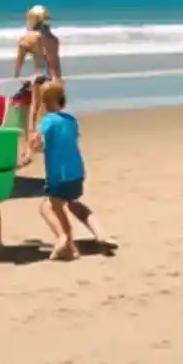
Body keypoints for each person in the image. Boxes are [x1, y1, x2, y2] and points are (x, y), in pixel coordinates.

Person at [29, 81, 112, 260]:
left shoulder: (48, 121)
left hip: (59, 174)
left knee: (49, 207)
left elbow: (36, 144)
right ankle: (100, 234)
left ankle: (65, 238)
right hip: (77, 173)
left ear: (45, 103)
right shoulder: (71, 121)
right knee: (73, 203)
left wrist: (32, 138)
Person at [12, 4, 62, 161]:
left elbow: (19, 63)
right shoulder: (54, 39)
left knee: (33, 114)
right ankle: (51, 145)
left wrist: (16, 76)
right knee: (52, 113)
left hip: (39, 78)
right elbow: (55, 62)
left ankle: (28, 150)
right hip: (54, 78)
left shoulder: (27, 39)